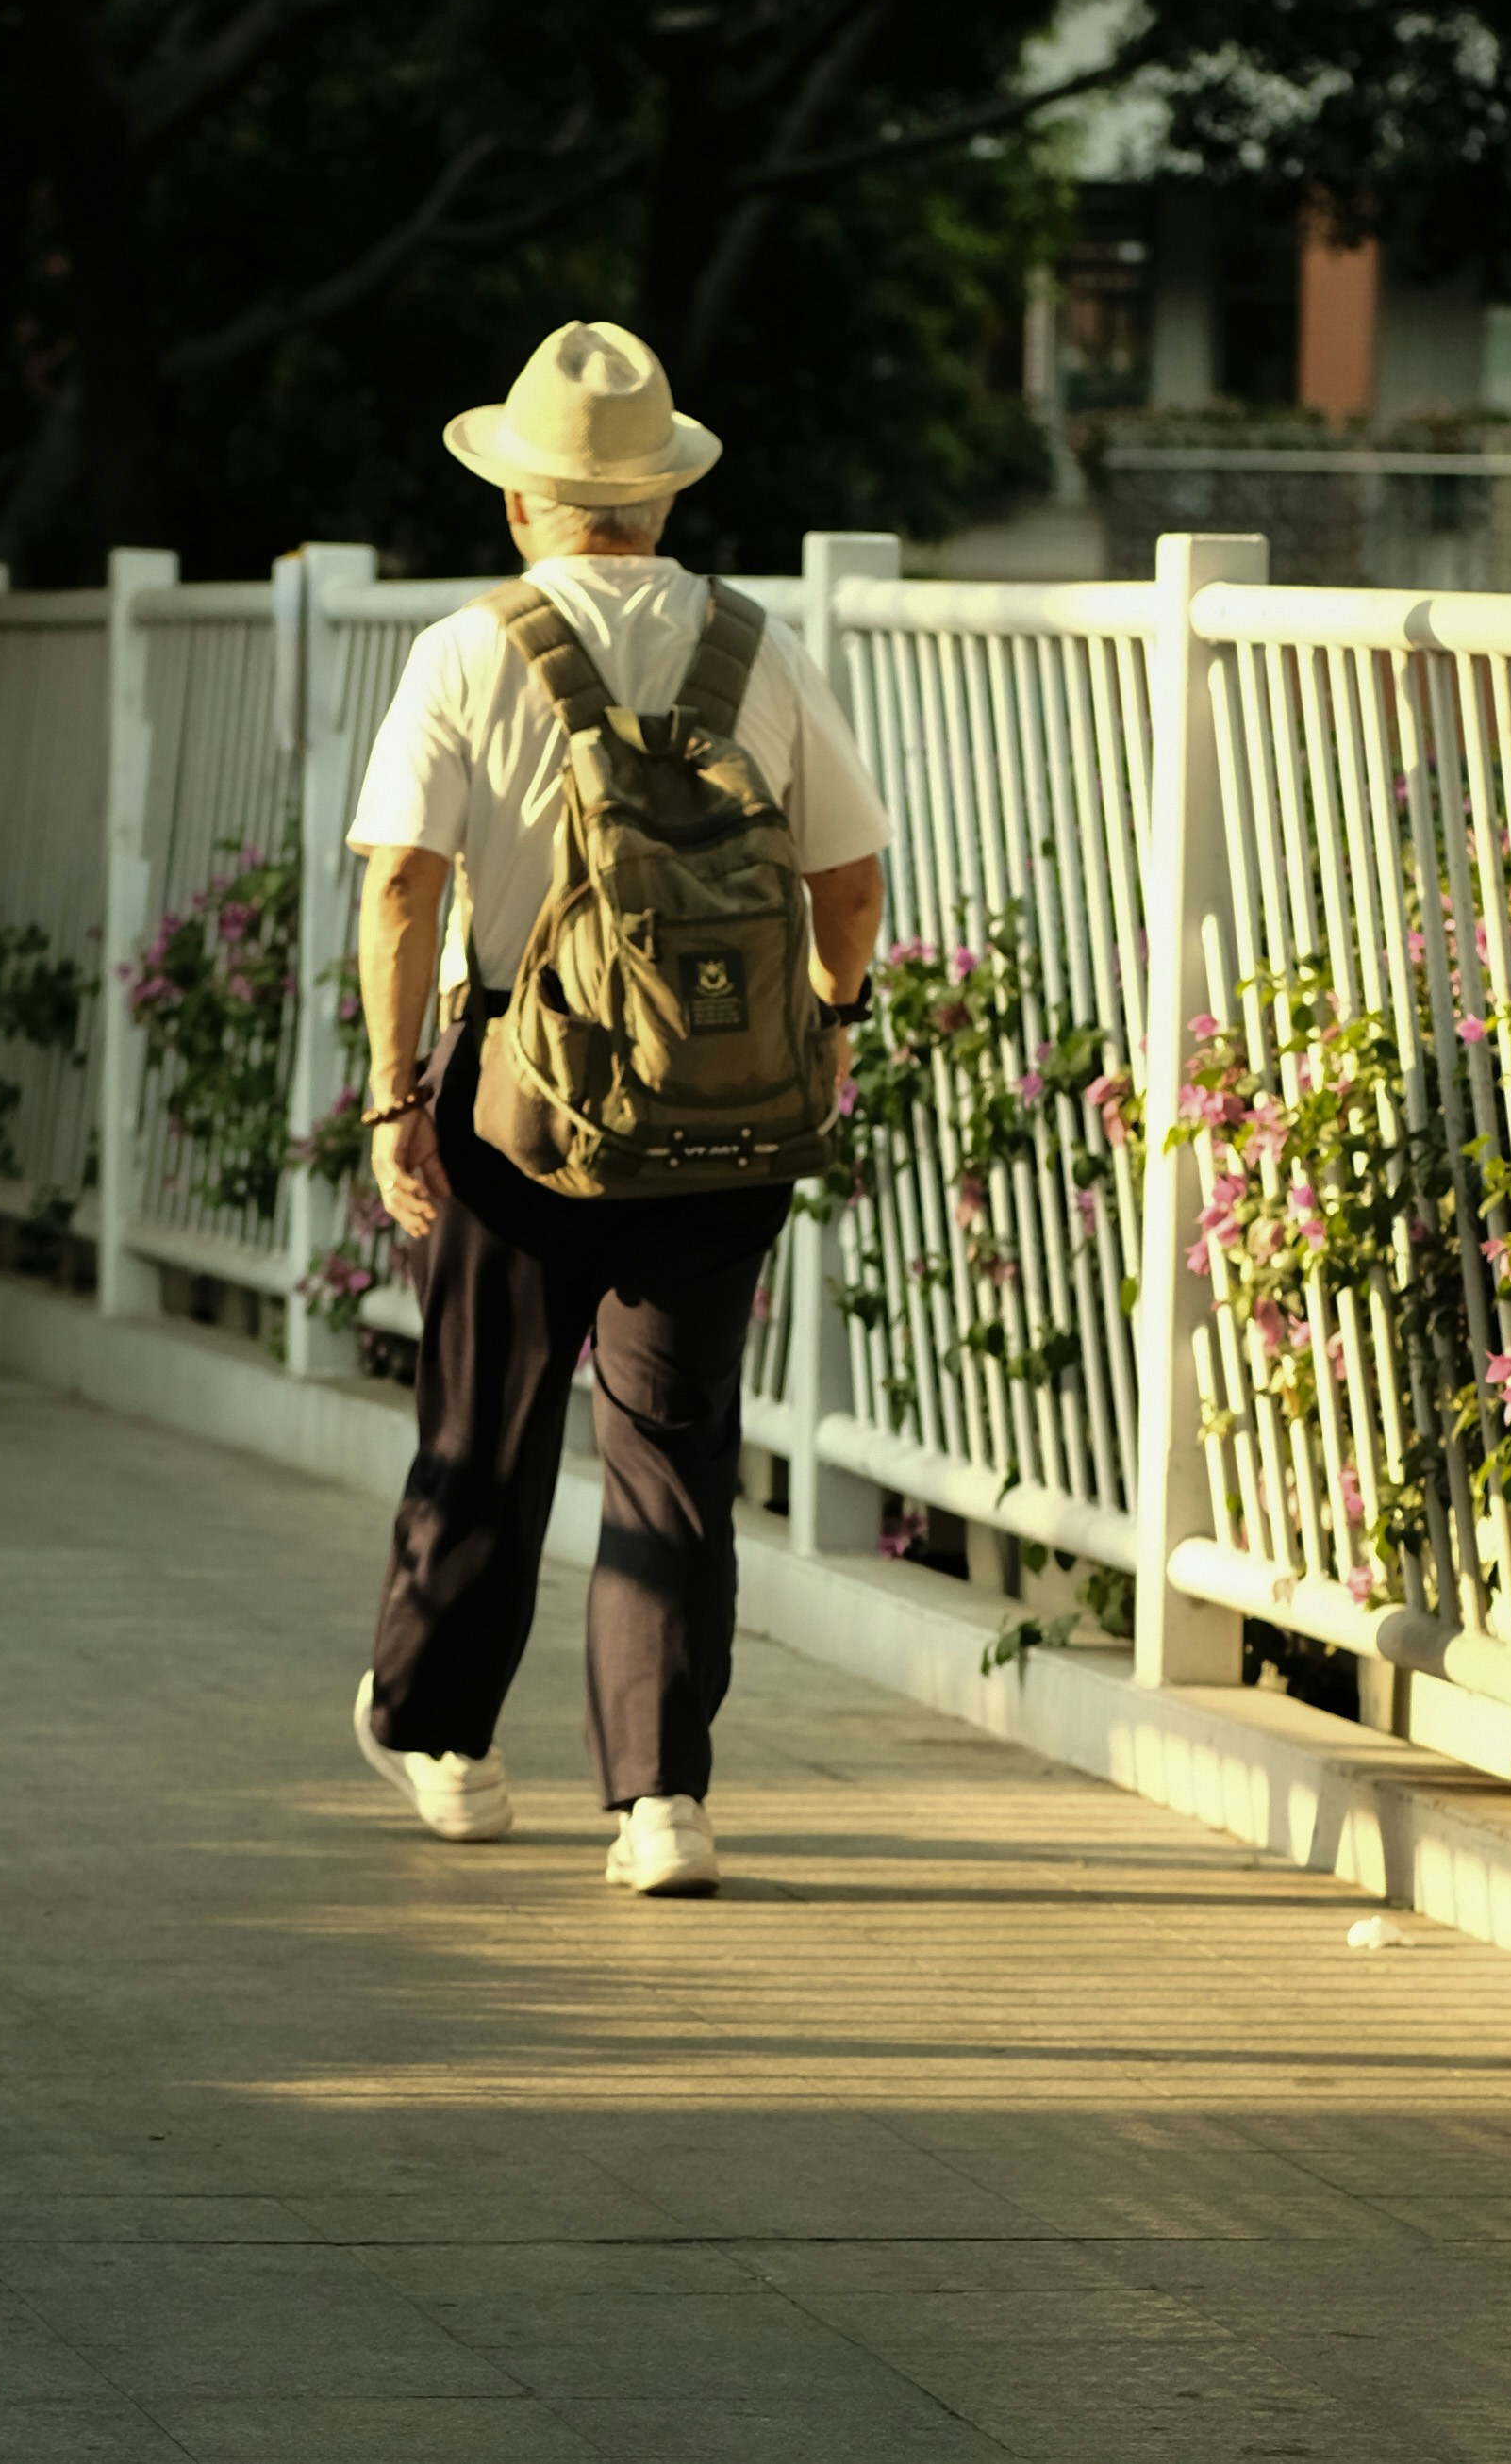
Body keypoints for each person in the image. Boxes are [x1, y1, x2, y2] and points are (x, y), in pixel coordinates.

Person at [347, 319, 890, 1895]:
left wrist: (394, 1095)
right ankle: (662, 1802)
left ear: (521, 501)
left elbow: (401, 882)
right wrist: (830, 1031)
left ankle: (445, 1744)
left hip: (520, 1099)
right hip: (723, 1105)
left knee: (486, 1426)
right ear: (658, 500)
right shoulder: (757, 649)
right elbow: (846, 885)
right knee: (670, 1445)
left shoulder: (468, 649)